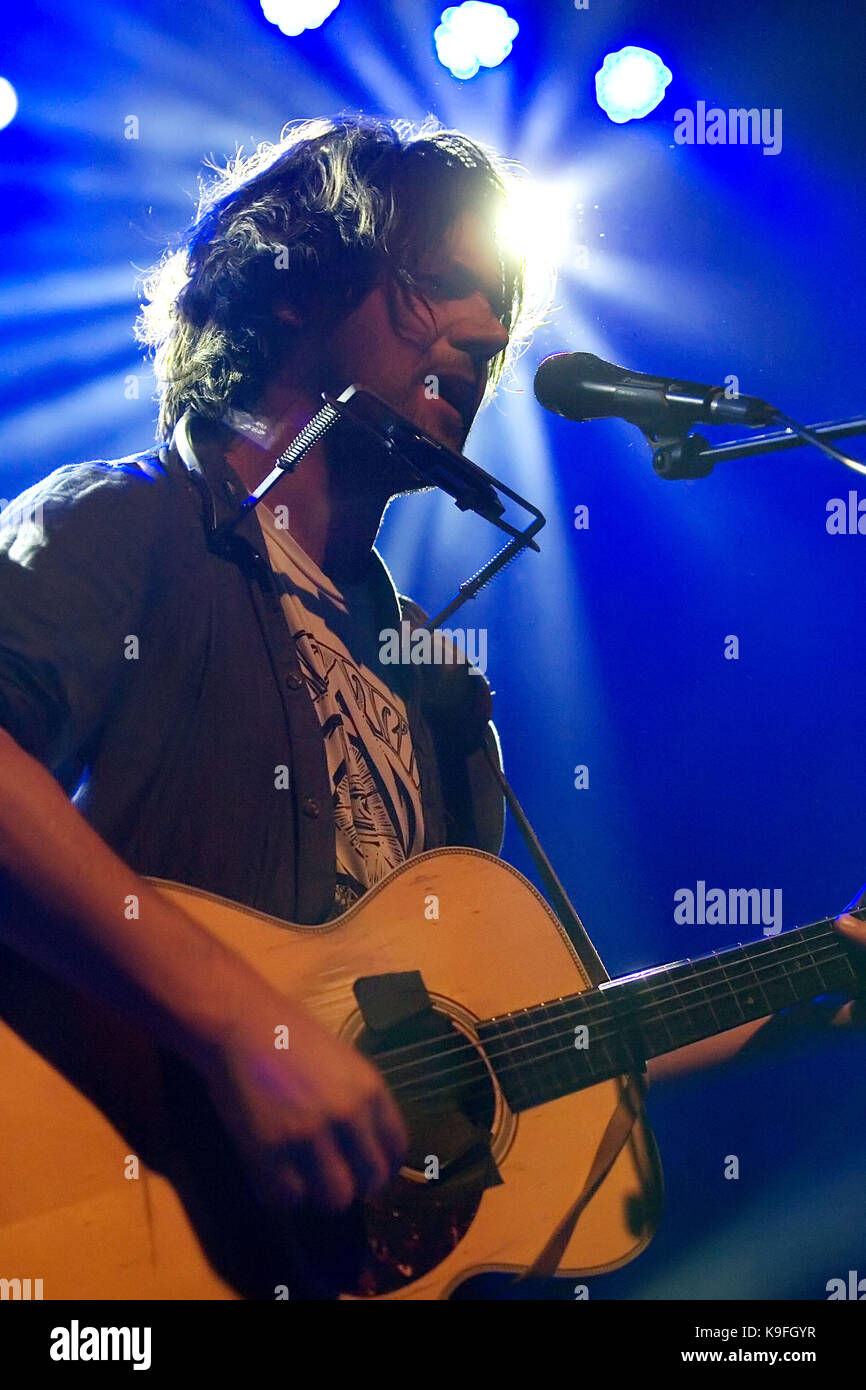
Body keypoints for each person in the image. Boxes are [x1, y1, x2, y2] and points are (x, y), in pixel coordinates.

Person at [0, 115, 863, 1288]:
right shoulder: (129, 525)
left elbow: (484, 1052)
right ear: (294, 282)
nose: (490, 333)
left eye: (498, 306)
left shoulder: (435, 685)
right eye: (440, 284)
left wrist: (822, 979)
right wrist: (242, 1029)